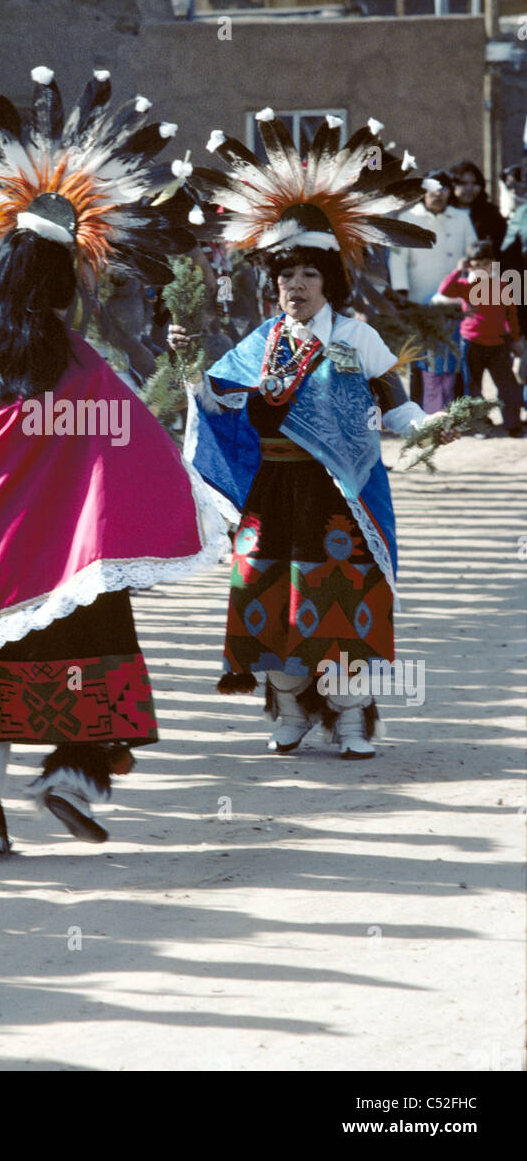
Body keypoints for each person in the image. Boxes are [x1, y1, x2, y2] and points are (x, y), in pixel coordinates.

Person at [0, 64, 223, 859]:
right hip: (73, 569)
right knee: (86, 678)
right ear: (68, 287)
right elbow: (142, 454)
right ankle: (74, 770)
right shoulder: (87, 370)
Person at [179, 110, 457, 759]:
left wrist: (431, 426)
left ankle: (352, 716)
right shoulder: (261, 342)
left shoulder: (355, 337)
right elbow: (218, 400)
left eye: (306, 274)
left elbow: (395, 406)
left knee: (336, 608)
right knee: (268, 603)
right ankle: (287, 708)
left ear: (328, 280)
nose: (294, 286)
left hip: (339, 498)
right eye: (285, 275)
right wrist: (188, 362)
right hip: (273, 497)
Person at [388, 171, 472, 411]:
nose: (438, 193)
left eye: (443, 188)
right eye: (432, 188)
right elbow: (397, 258)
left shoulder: (462, 218)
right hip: (418, 300)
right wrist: (401, 292)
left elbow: (474, 254)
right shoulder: (407, 217)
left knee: (454, 355)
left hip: (455, 302)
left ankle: (456, 411)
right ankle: (418, 410)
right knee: (421, 358)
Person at [438, 242, 524, 437]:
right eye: (476, 264)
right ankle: (481, 424)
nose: (481, 268)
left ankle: (513, 424)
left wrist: (516, 339)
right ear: (470, 265)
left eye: (486, 263)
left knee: (507, 386)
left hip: (498, 344)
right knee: (472, 387)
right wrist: (457, 271)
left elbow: (512, 315)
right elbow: (444, 290)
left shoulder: (502, 285)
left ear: (493, 263)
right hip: (471, 343)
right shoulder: (465, 285)